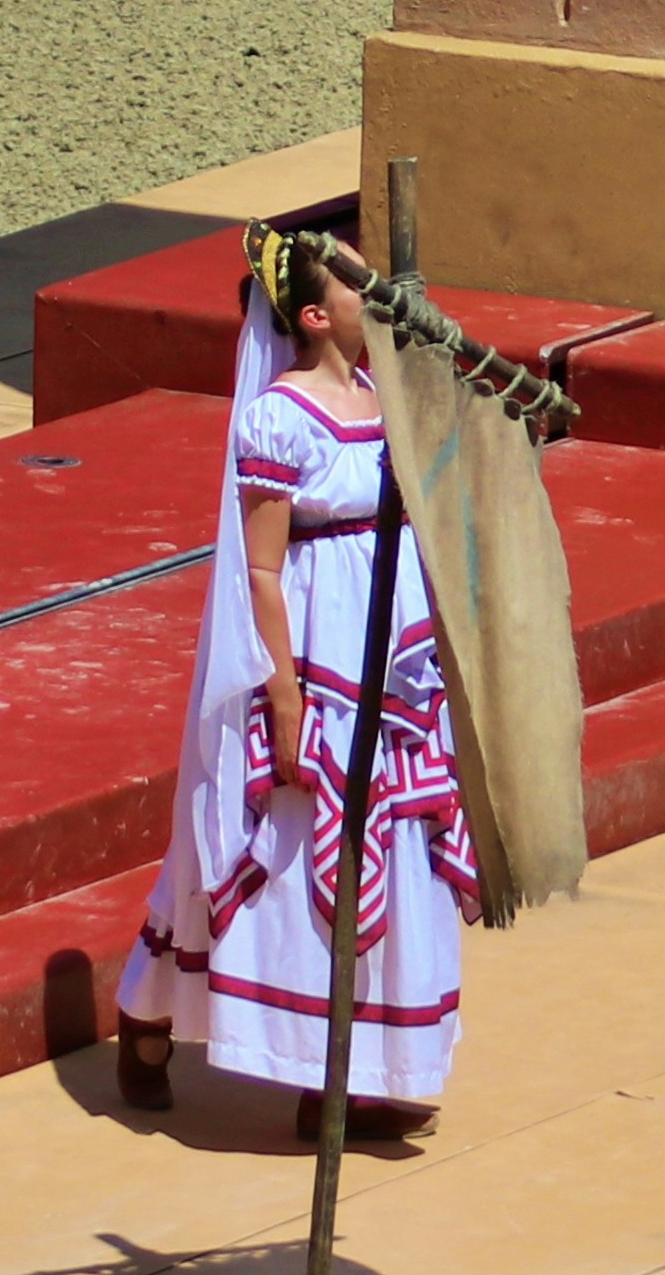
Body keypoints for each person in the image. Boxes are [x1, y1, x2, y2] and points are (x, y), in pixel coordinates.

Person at [107, 222, 472, 1130]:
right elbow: (260, 566)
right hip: (314, 634)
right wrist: (281, 686)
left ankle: (368, 1061)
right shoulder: (277, 416)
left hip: (393, 631)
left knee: (395, 829)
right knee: (295, 836)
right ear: (314, 315)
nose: (376, 296)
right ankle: (305, 1063)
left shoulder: (390, 395)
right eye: (358, 286)